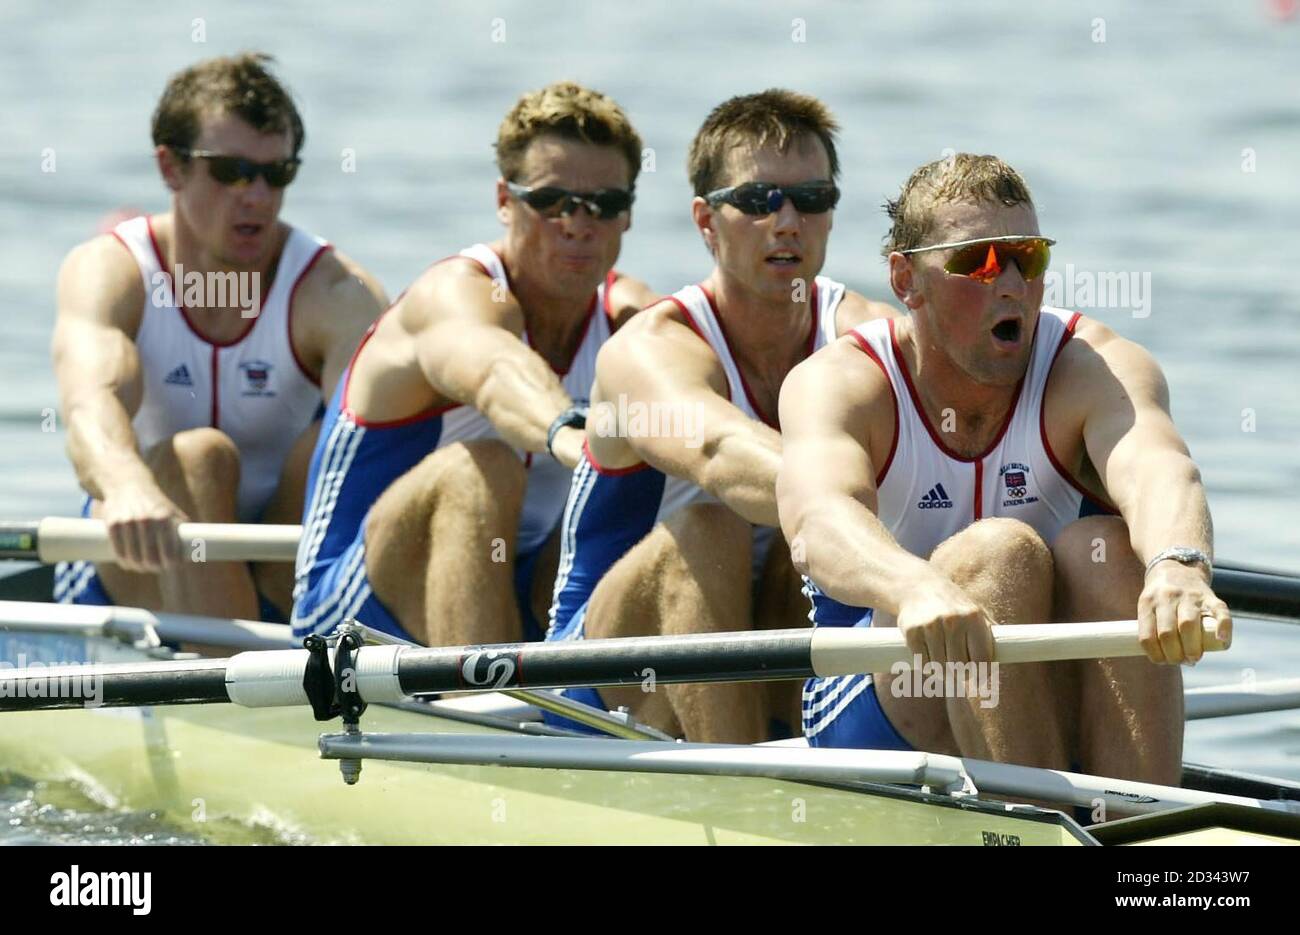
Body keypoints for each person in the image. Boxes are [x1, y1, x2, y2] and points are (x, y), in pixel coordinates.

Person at [777, 153, 1232, 784]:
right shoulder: (843, 383)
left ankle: (1142, 837)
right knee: (996, 555)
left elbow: (1158, 466)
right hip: (878, 698)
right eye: (978, 261)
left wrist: (1178, 566)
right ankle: (1043, 824)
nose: (1012, 283)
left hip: (1037, 691)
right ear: (906, 280)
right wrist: (915, 587)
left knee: (1104, 548)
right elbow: (818, 524)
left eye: (1029, 258)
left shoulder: (1091, 366)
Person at [545, 90, 897, 743]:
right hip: (598, 683)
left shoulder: (873, 337)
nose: (787, 221)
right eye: (760, 201)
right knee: (715, 525)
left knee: (830, 550)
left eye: (812, 199)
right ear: (706, 221)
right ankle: (751, 788)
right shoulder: (648, 351)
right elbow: (719, 455)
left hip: (765, 636)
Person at [292, 81, 655, 646]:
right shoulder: (455, 293)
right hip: (350, 620)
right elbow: (492, 371)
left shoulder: (635, 321)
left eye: (605, 205)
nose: (578, 224)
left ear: (628, 215)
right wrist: (571, 435)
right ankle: (490, 714)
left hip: (516, 590)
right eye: (551, 201)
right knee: (481, 468)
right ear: (504, 202)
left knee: (688, 520)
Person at [52, 52, 386, 621]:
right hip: (144, 555)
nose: (256, 195)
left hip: (282, 567)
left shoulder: (335, 292)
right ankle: (242, 686)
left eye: (276, 173)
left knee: (334, 441)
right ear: (171, 168)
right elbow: (89, 403)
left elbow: (382, 449)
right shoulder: (112, 271)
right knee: (200, 457)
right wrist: (129, 486)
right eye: (230, 171)